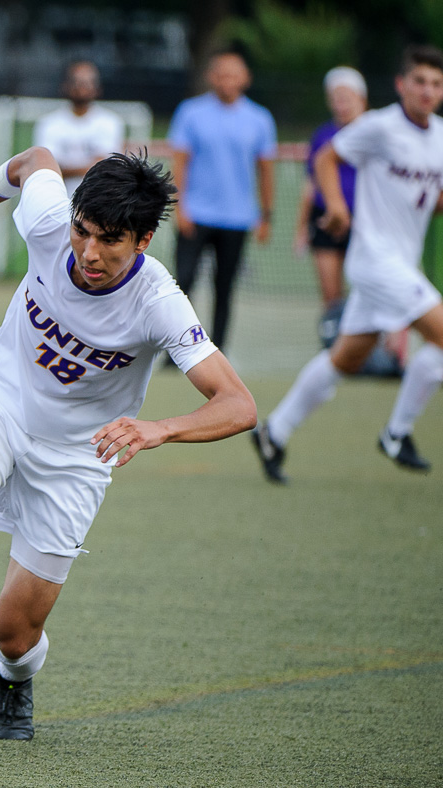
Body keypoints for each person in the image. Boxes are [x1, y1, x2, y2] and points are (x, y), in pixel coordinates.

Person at [0, 147, 256, 740]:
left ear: (143, 239)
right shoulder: (48, 223)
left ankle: (12, 678)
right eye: (82, 231)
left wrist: (158, 428)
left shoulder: (159, 302)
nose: (88, 253)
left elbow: (238, 405)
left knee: (15, 633)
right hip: (0, 398)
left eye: (109, 240)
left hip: (78, 455)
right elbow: (35, 160)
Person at [253, 45, 443, 483]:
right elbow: (325, 158)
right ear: (401, 85)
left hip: (401, 265)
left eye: (436, 83)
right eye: (420, 81)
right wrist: (337, 206)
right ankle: (397, 432)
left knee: (346, 358)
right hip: (375, 261)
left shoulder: (438, 138)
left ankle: (274, 432)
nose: (428, 91)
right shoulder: (380, 126)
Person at [296, 67, 406, 377]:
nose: (342, 104)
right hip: (327, 221)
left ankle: (381, 354)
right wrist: (303, 227)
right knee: (333, 296)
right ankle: (337, 354)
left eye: (348, 97)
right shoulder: (324, 135)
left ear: (362, 98)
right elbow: (312, 183)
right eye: (336, 98)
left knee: (374, 288)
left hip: (369, 223)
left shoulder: (377, 132)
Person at [169, 51, 277, 351]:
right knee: (184, 283)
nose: (227, 80)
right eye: (221, 74)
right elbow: (180, 163)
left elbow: (266, 170)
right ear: (211, 77)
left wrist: (266, 216)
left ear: (245, 79)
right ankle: (177, 347)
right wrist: (180, 207)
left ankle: (216, 350)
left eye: (234, 74)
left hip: (237, 218)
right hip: (196, 214)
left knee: (224, 288)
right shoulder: (190, 112)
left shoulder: (260, 118)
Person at [32, 60, 125, 198]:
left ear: (98, 87)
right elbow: (46, 169)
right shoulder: (48, 124)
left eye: (88, 82)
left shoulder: (110, 123)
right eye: (76, 81)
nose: (82, 87)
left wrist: (65, 168)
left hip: (98, 203)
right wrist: (90, 166)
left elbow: (109, 169)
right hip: (58, 200)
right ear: (65, 85)